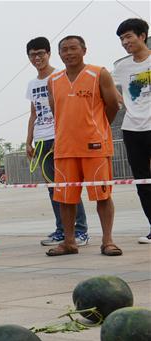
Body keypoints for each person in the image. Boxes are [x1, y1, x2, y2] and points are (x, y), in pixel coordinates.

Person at [46, 35, 122, 256]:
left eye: (73, 48)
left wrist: (97, 128)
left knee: (103, 195)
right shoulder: (53, 80)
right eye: (64, 50)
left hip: (95, 147)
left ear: (84, 50)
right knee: (65, 198)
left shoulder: (99, 73)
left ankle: (107, 241)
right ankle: (69, 242)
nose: (69, 53)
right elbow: (56, 111)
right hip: (64, 149)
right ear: (59, 54)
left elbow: (113, 105)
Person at [24, 37, 90, 248]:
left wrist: (62, 135)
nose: (37, 58)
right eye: (33, 55)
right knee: (53, 188)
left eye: (41, 53)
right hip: (41, 139)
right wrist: (28, 141)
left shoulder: (60, 76)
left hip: (61, 137)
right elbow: (33, 113)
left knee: (68, 185)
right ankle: (62, 230)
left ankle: (80, 231)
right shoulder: (32, 84)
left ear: (49, 54)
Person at [113, 18, 151, 244]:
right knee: (143, 181)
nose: (125, 42)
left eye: (128, 37)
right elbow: (106, 84)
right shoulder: (122, 67)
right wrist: (122, 100)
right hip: (132, 129)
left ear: (142, 35)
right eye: (121, 39)